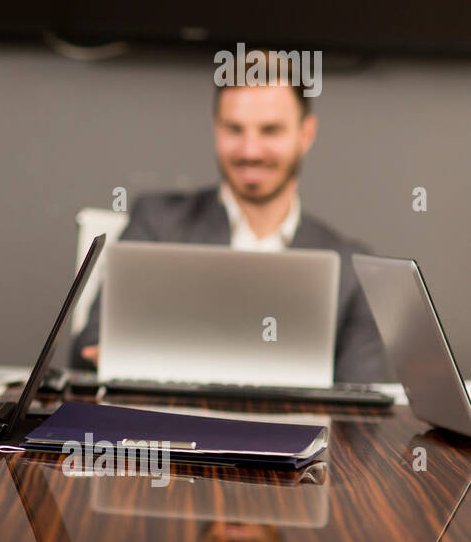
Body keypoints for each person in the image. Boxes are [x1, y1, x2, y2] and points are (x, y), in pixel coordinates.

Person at [73, 49, 392, 383]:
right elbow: (86, 352)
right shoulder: (155, 223)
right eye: (234, 129)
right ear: (216, 129)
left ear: (306, 134)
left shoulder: (351, 269)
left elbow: (361, 407)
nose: (250, 151)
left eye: (270, 131)